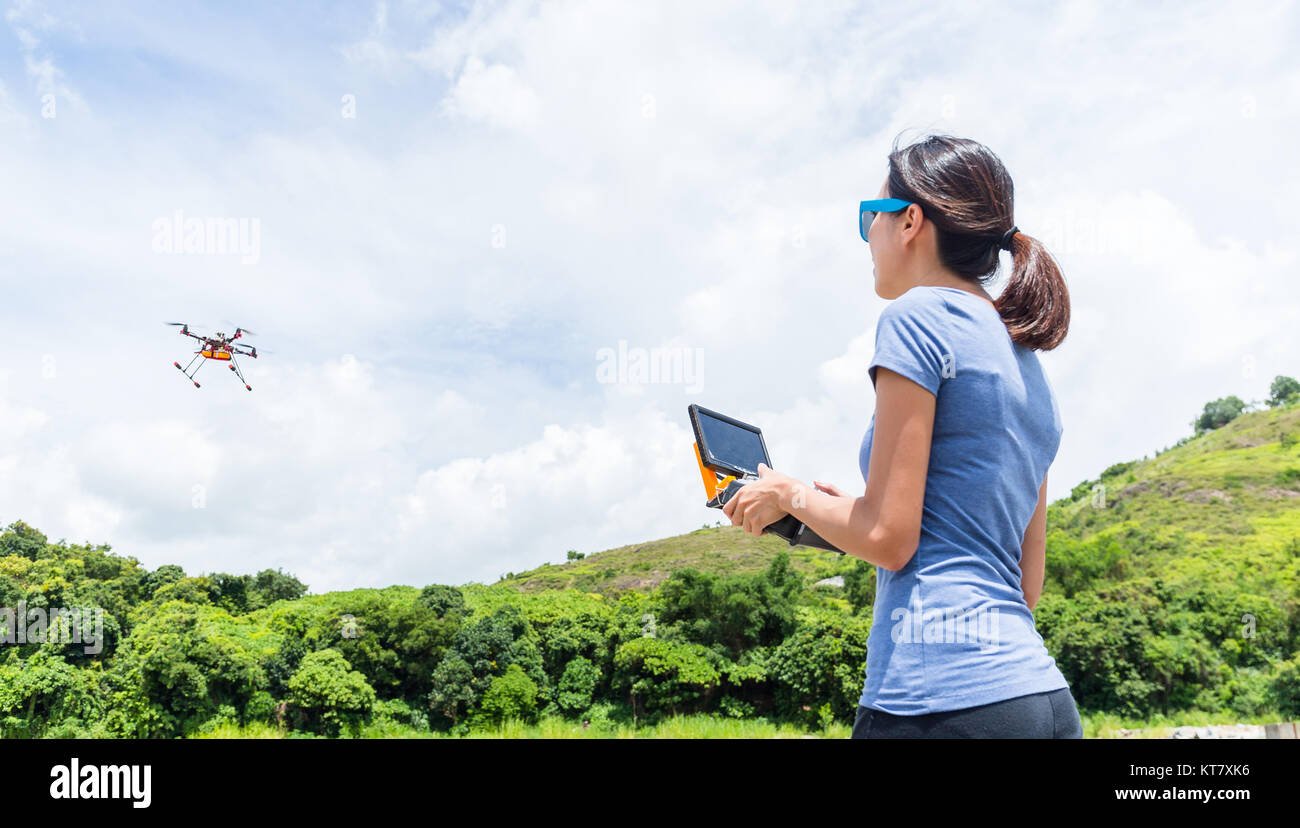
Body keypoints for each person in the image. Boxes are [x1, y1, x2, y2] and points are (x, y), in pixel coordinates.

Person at [722, 131, 1083, 738]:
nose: (868, 238)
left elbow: (890, 538)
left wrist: (790, 496)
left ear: (911, 220)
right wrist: (843, 513)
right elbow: (1023, 581)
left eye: (872, 217)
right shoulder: (1026, 361)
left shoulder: (918, 318)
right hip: (1040, 701)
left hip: (937, 701)